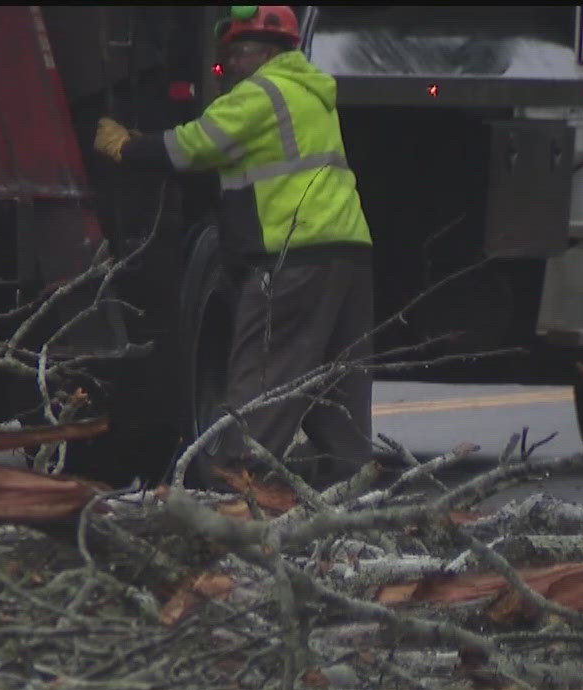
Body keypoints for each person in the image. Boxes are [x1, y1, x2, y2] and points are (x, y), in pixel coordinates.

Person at [93, 5, 374, 486]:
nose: (230, 63)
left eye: (238, 52)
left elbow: (193, 147)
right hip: (344, 251)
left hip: (291, 252)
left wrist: (128, 147)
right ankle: (352, 479)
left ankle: (240, 481)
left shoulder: (261, 94)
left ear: (265, 52)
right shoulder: (308, 92)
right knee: (335, 380)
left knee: (264, 371)